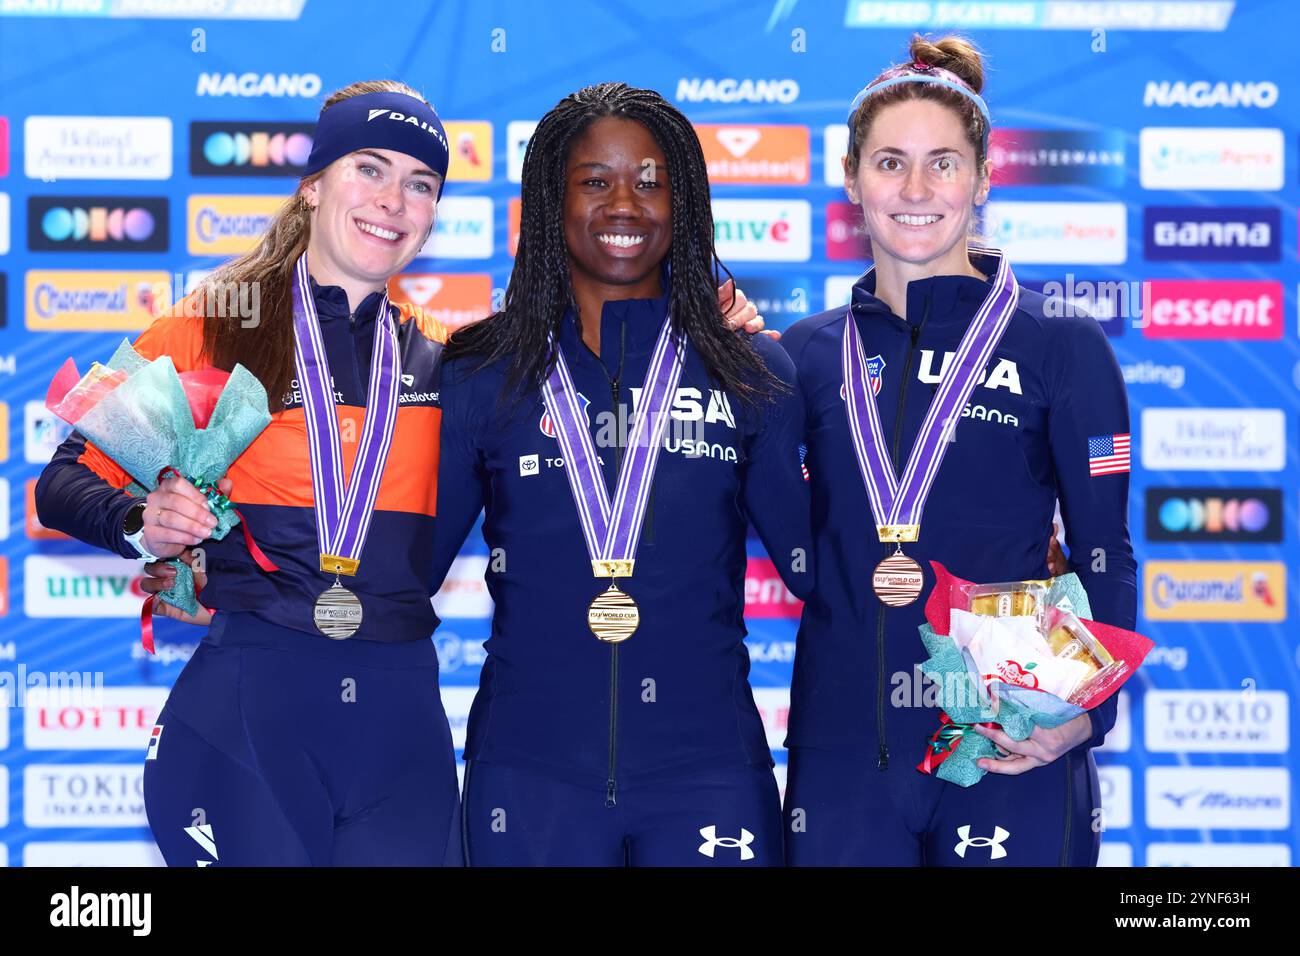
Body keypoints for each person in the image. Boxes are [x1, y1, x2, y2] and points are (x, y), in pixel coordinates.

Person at [35, 80, 464, 866]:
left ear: (434, 213)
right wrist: (140, 523)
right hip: (247, 725)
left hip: (404, 732)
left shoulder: (449, 360)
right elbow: (59, 483)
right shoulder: (216, 322)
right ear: (313, 186)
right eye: (369, 168)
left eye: (420, 182)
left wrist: (722, 316)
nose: (393, 199)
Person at [779, 35, 1136, 866]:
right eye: (889, 162)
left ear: (983, 178)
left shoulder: (1059, 343)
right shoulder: (801, 355)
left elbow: (1104, 547)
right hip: (843, 754)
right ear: (850, 178)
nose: (914, 190)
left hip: (1009, 737)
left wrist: (1088, 713)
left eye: (943, 163)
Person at [435, 82, 811, 866]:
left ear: (686, 202)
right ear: (550, 201)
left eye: (649, 180)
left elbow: (829, 569)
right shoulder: (482, 374)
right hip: (531, 778)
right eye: (594, 181)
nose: (624, 205)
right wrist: (237, 566)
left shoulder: (749, 373)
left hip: (709, 776)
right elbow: (398, 571)